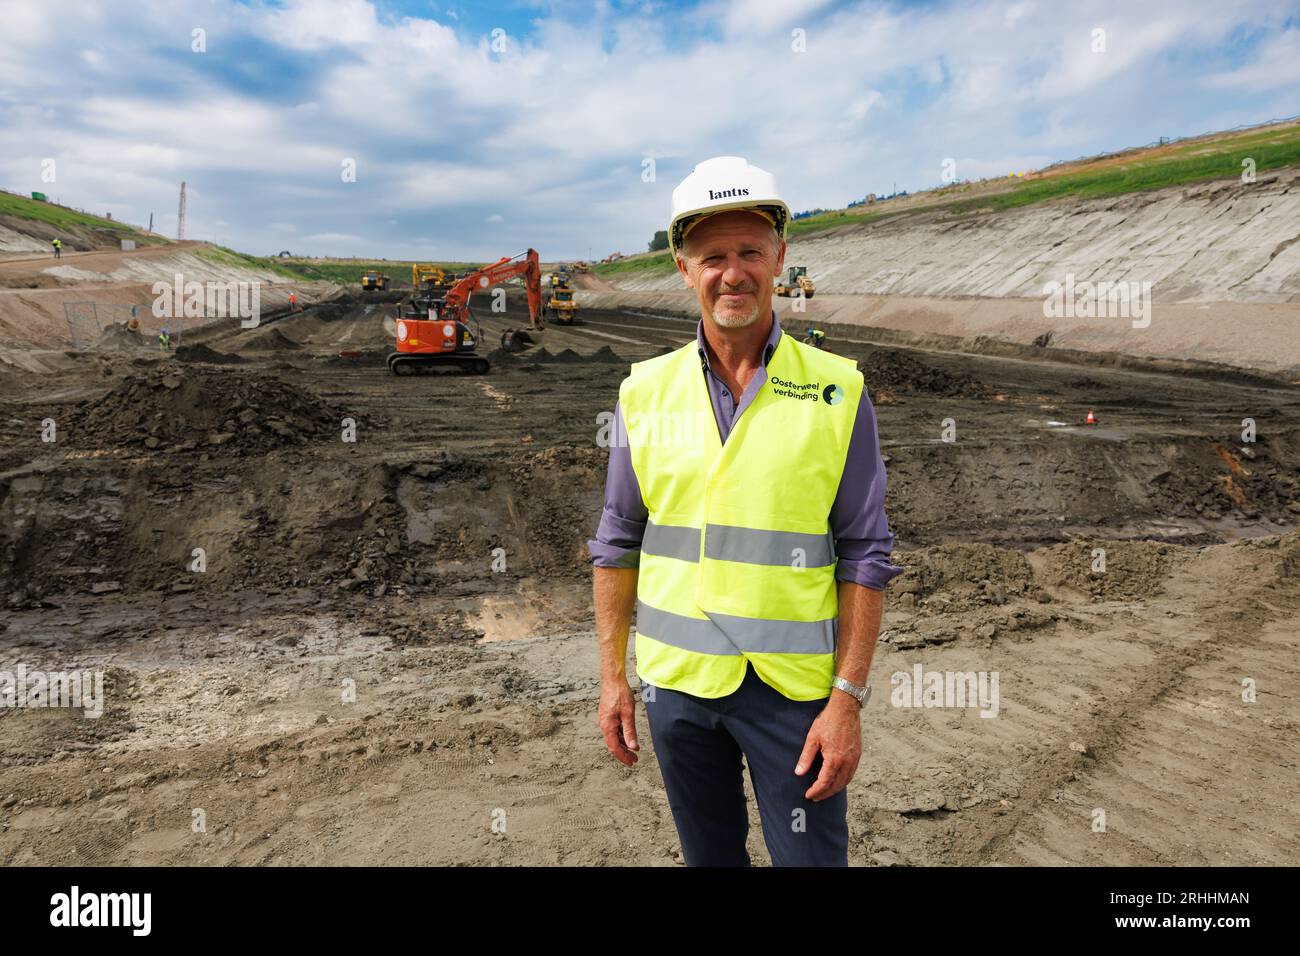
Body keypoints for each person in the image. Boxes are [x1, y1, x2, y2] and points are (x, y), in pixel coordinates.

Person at [589, 156, 903, 866]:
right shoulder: (644, 392)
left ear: (780, 258)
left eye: (751, 253)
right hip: (679, 689)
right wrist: (614, 676)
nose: (733, 274)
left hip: (793, 696)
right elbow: (618, 541)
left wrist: (847, 698)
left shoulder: (836, 391)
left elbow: (865, 552)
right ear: (683, 267)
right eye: (714, 257)